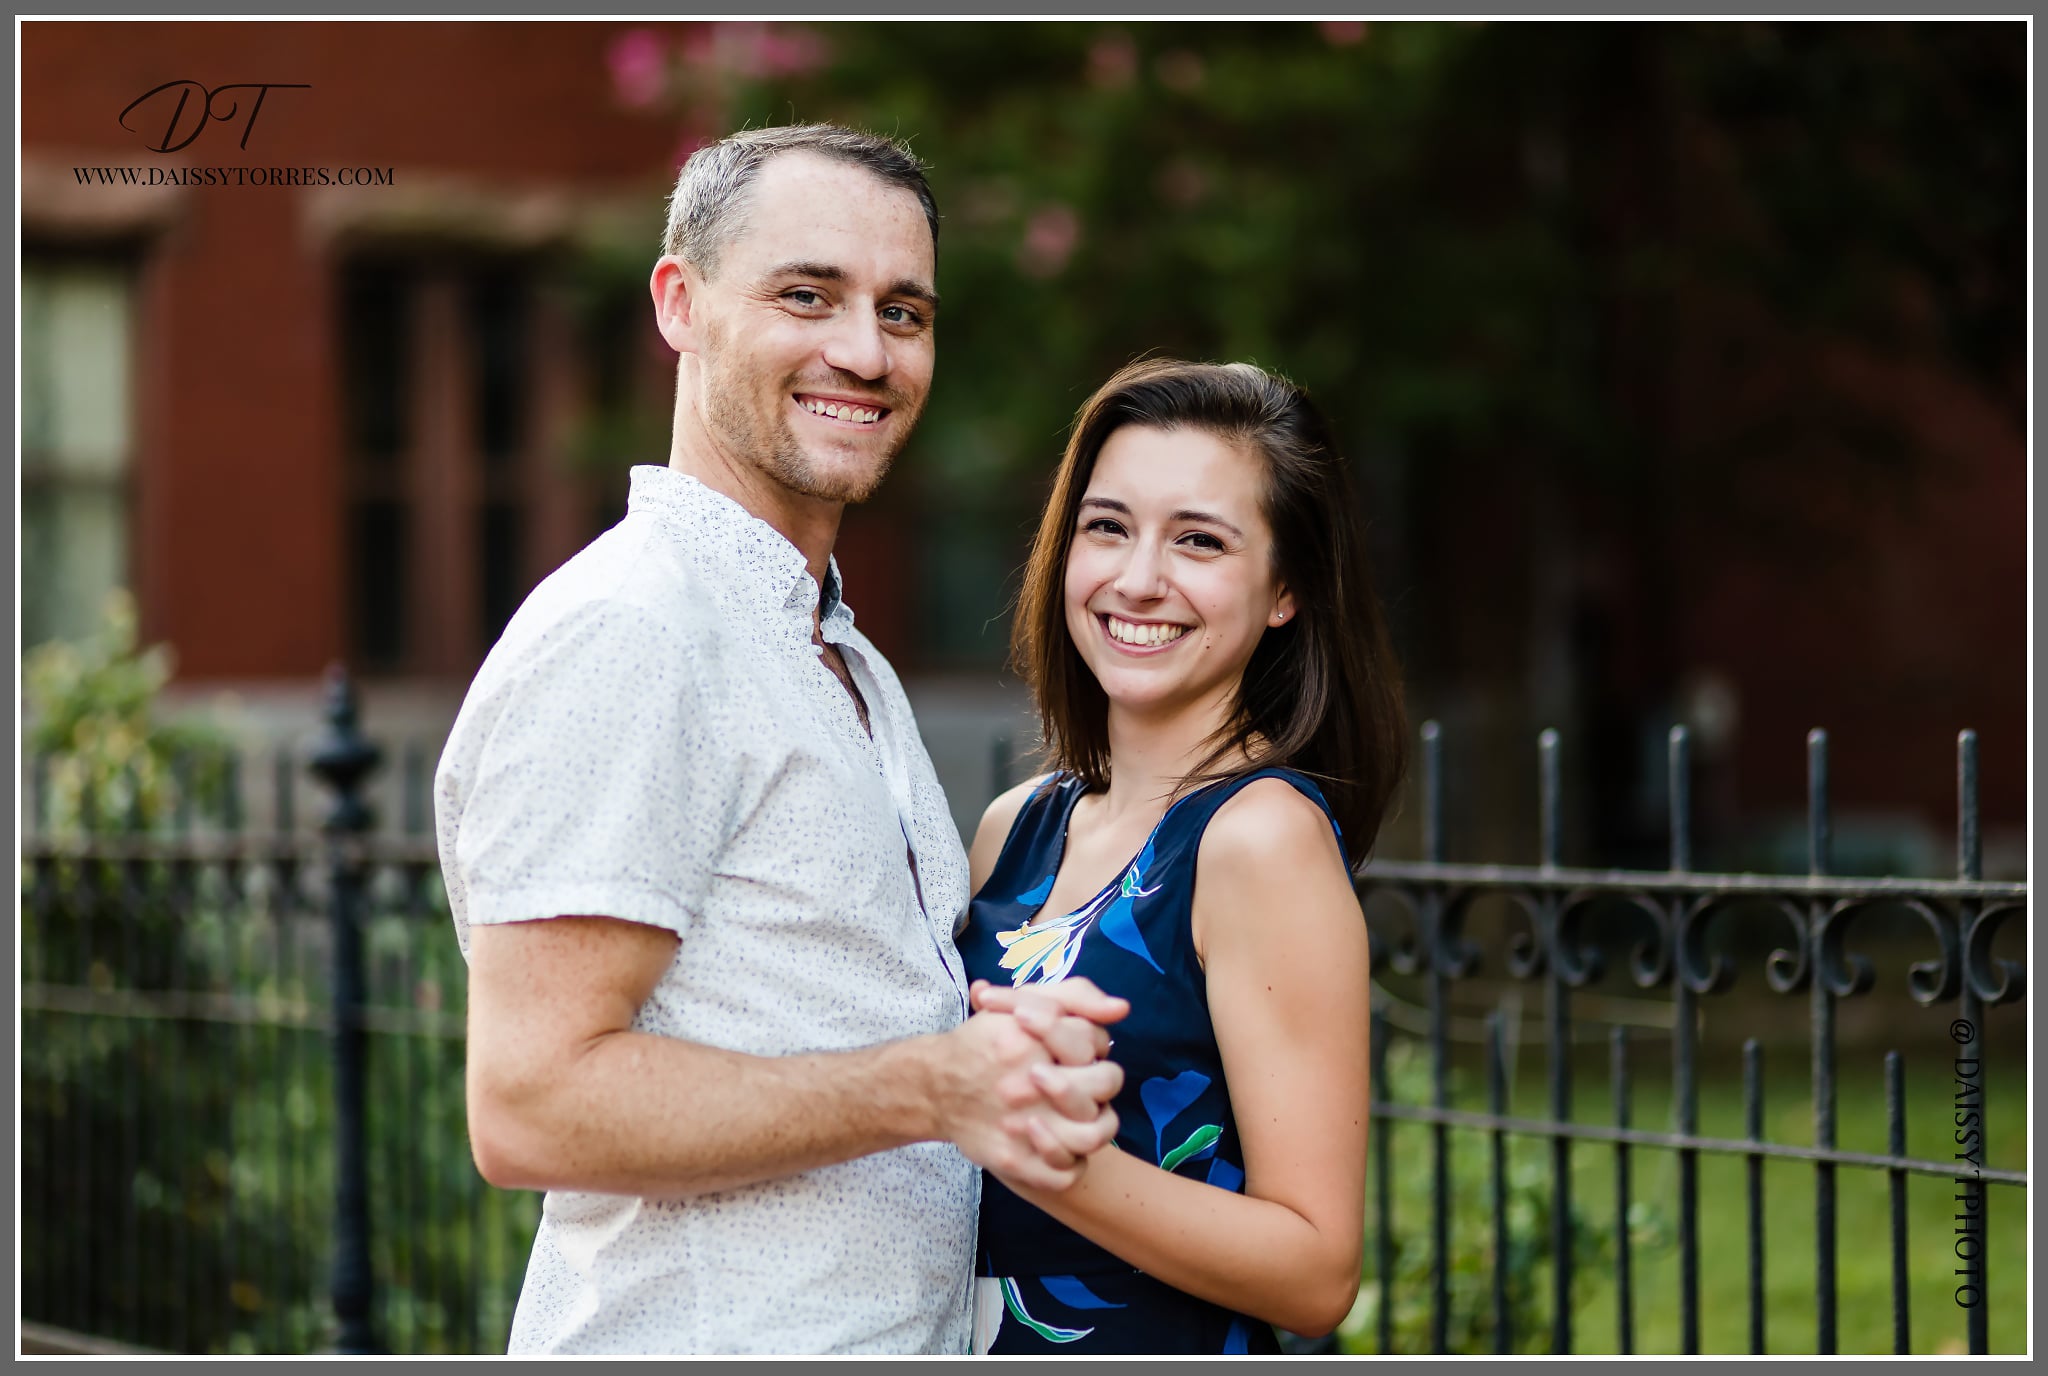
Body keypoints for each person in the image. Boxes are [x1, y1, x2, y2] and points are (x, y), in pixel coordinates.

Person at [434, 124, 1127, 1356]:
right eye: (805, 295)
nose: (862, 352)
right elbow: (529, 1103)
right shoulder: (634, 631)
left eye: (902, 311)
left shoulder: (831, 645)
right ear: (678, 301)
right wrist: (932, 1083)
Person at [956, 358, 1408, 1354]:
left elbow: (1315, 1267)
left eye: (1196, 539)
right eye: (1106, 525)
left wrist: (1054, 1157)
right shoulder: (1016, 824)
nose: (1137, 577)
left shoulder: (1258, 839)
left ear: (1283, 588)